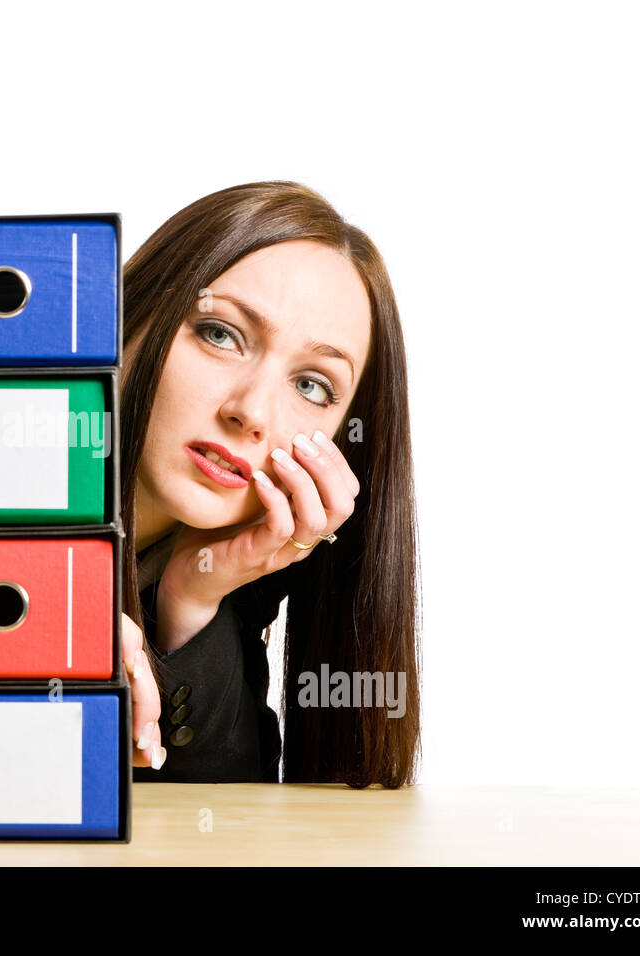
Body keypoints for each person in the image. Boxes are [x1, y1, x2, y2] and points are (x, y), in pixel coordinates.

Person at [120, 182, 421, 787]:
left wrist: (191, 600)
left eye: (311, 385)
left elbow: (214, 834)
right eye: (220, 334)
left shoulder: (232, 591)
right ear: (126, 316)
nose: (251, 412)